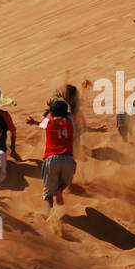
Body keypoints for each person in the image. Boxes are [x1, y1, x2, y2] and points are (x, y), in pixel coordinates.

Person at [40, 98, 76, 233]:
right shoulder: (70, 120)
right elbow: (72, 113)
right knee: (66, 181)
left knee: (48, 193)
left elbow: (42, 119)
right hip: (68, 158)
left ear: (52, 114)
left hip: (51, 159)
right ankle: (60, 189)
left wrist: (47, 109)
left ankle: (51, 216)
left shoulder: (49, 121)